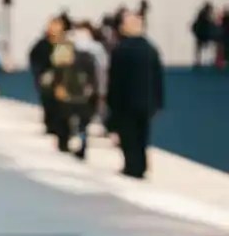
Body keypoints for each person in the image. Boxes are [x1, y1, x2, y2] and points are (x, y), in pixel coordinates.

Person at [107, 10, 164, 178]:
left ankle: (132, 166)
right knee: (142, 134)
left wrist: (112, 102)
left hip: (126, 103)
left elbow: (116, 81)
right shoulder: (151, 49)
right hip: (146, 102)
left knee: (128, 136)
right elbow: (158, 78)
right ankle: (142, 165)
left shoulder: (120, 50)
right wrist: (158, 101)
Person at [48, 29, 100, 159]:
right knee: (81, 124)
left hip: (69, 97)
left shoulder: (64, 54)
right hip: (82, 97)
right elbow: (93, 79)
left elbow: (57, 74)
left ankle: (66, 143)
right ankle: (79, 144)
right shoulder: (89, 58)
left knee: (67, 122)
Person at [29, 18, 64, 134]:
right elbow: (34, 58)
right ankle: (50, 125)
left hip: (62, 78)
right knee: (48, 101)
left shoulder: (64, 44)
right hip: (46, 78)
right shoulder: (42, 45)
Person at [192, 2, 218, 68]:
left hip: (201, 34)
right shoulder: (205, 15)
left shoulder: (201, 14)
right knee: (205, 47)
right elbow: (209, 23)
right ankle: (200, 61)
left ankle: (198, 61)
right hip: (203, 34)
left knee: (199, 49)